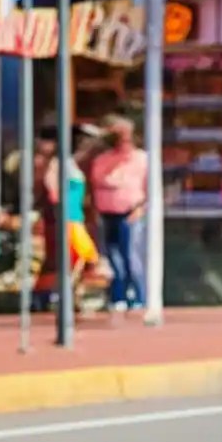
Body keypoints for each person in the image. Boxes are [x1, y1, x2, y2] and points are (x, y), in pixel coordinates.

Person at [33, 125, 100, 310]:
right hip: (68, 217)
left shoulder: (69, 162)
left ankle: (67, 292)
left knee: (79, 257)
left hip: (74, 215)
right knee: (80, 255)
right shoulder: (58, 163)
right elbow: (52, 186)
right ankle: (59, 293)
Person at [88, 115, 148, 311]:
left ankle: (138, 296)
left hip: (130, 213)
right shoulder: (102, 160)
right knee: (112, 257)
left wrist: (141, 208)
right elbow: (96, 182)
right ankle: (118, 296)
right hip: (107, 214)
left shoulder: (142, 159)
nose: (123, 142)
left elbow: (150, 188)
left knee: (131, 256)